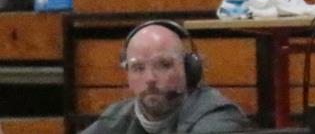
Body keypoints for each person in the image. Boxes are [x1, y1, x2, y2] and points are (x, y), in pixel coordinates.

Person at [84, 21, 253, 134]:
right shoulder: (115, 118)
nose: (150, 78)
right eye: (138, 68)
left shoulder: (218, 116)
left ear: (189, 69)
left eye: (164, 65)